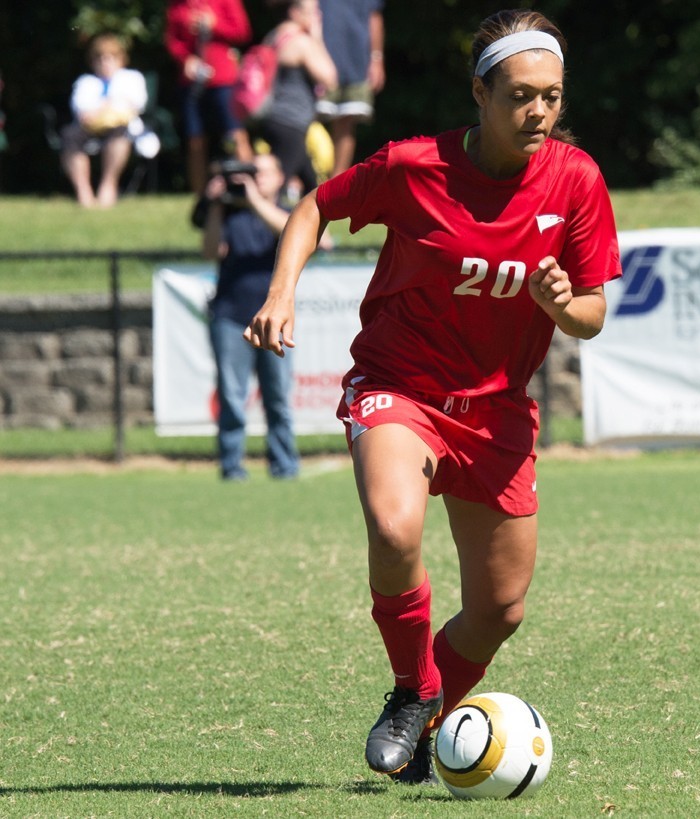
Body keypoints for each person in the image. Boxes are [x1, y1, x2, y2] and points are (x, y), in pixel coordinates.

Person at [243, 8, 620, 784]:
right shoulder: (416, 166)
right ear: (480, 93)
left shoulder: (576, 179)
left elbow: (591, 313)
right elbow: (316, 206)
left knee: (500, 608)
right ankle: (414, 688)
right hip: (400, 388)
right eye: (520, 95)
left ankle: (431, 726)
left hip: (496, 411)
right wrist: (281, 292)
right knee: (393, 527)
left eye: (551, 96)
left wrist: (561, 304)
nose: (539, 111)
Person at [200, 152, 301, 481]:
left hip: (275, 320)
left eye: (262, 172)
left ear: (280, 177)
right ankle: (232, 467)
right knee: (231, 397)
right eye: (251, 172)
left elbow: (294, 233)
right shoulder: (232, 214)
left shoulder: (288, 212)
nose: (255, 178)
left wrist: (255, 200)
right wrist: (215, 206)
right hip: (231, 316)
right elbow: (209, 251)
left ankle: (284, 465)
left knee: (278, 396)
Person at [166, 0, 254, 194]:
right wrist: (185, 60)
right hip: (192, 83)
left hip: (223, 80)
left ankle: (251, 189)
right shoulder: (178, 5)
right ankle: (200, 196)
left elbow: (242, 32)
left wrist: (215, 24)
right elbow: (173, 40)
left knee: (235, 135)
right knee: (195, 140)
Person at [256, 0, 338, 201]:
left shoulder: (273, 36)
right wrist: (317, 38)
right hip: (290, 122)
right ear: (294, 12)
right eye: (313, 11)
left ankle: (320, 222)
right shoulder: (300, 41)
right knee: (274, 187)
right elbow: (330, 78)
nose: (317, 17)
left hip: (273, 118)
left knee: (311, 186)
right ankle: (245, 218)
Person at [60, 33, 148, 208]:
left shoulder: (132, 78)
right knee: (70, 136)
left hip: (120, 127)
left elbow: (137, 103)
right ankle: (83, 191)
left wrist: (104, 107)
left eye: (110, 58)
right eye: (100, 58)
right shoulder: (86, 82)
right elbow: (80, 108)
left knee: (120, 134)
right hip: (90, 128)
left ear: (120, 59)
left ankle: (108, 186)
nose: (105, 62)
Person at [316, 0, 385, 177]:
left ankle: (336, 182)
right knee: (308, 117)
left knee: (347, 119)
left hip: (356, 59)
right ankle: (305, 178)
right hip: (318, 57)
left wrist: (376, 59)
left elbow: (374, 17)